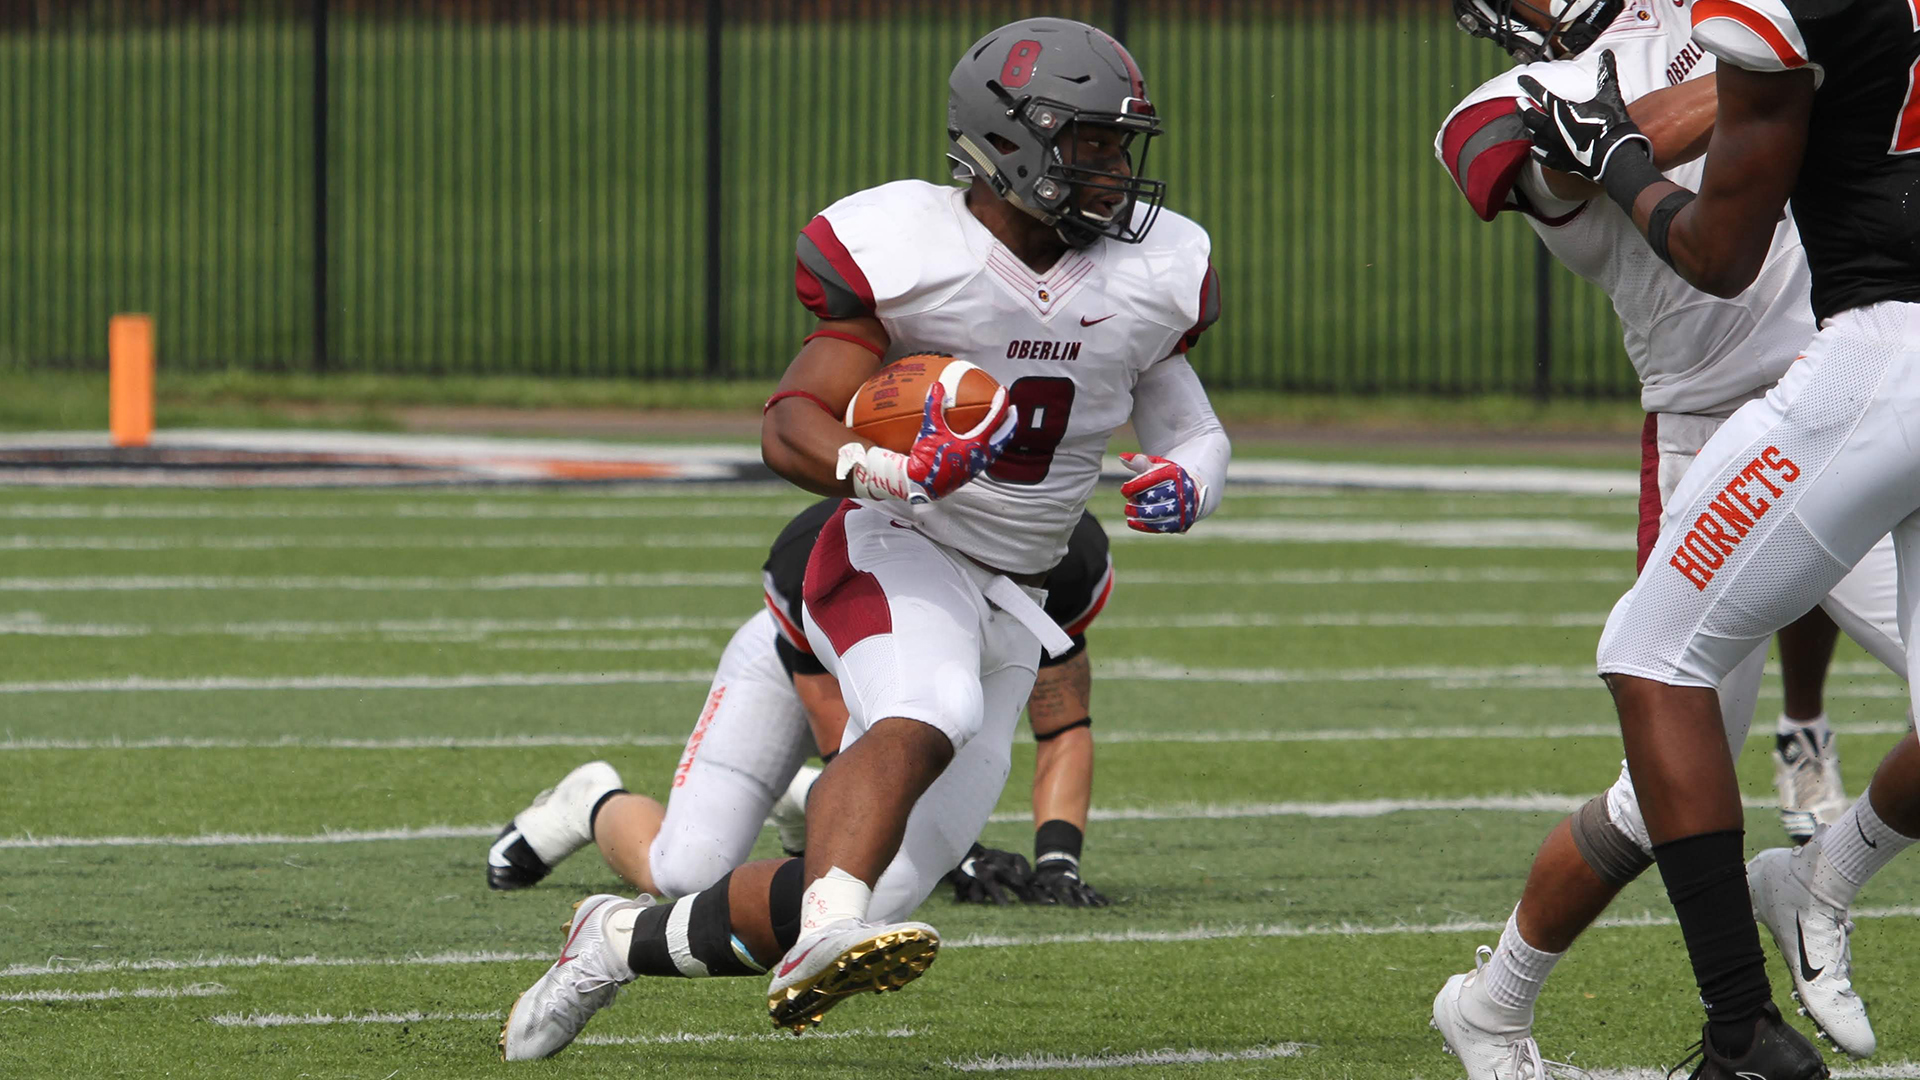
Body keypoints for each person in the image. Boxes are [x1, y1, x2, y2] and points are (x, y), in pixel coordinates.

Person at [499, 17, 1227, 1061]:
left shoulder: (1154, 268)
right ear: (1009, 141)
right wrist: (883, 467)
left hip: (1018, 599)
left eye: (1122, 145)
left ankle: (612, 942)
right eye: (1091, 142)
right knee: (927, 711)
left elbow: (1192, 426)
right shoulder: (911, 248)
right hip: (900, 542)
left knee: (883, 884)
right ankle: (823, 927)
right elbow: (790, 420)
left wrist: (1191, 477)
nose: (1113, 170)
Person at [1429, 0, 1908, 1074]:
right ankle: (1494, 1004)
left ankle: (1823, 875)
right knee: (1661, 790)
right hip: (1716, 435)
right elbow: (1541, 158)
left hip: (1862, 398)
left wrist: (1776, 55)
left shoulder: (1733, 12)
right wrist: (1787, 57)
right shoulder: (1503, 99)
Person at [484, 499, 1117, 909]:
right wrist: (961, 853)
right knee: (688, 873)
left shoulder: (1057, 549)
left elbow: (1063, 723)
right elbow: (851, 740)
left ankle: (802, 800)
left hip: (928, 697)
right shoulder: (828, 545)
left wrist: (1058, 863)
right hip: (808, 663)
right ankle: (587, 801)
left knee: (885, 885)